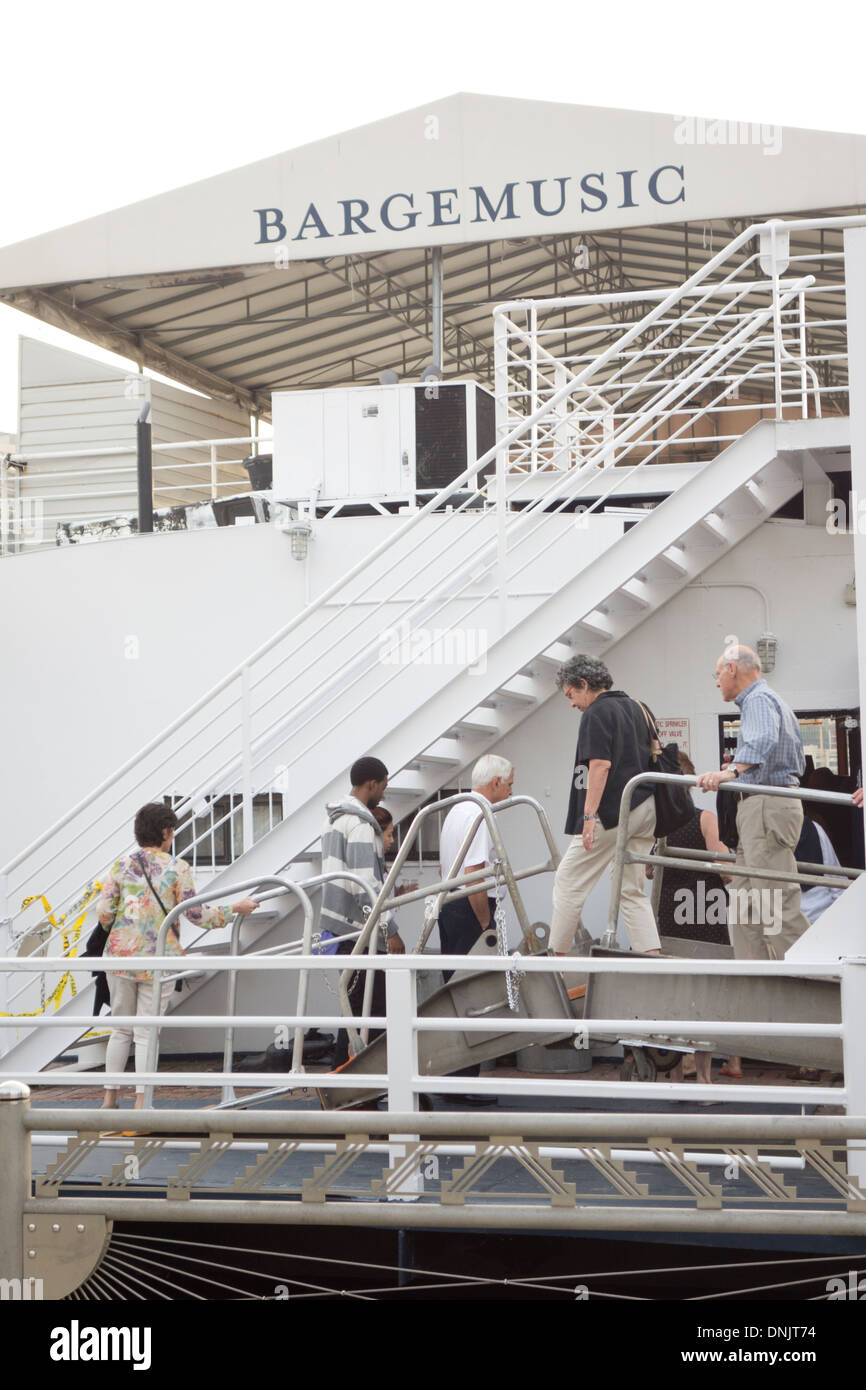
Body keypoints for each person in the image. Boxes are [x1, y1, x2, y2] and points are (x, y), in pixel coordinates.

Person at [96, 802, 257, 1112]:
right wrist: (234, 909)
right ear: (166, 832)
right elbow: (196, 914)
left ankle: (108, 1101)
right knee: (146, 1031)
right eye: (172, 831)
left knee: (120, 1029)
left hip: (119, 955)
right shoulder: (177, 868)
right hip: (158, 958)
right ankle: (142, 1104)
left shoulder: (120, 866)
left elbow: (104, 914)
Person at [697, 645, 810, 959]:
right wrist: (736, 773)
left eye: (718, 673)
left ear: (732, 669)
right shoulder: (768, 700)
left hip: (765, 807)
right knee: (746, 905)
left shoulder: (758, 700)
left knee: (775, 902)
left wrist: (732, 771)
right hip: (760, 807)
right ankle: (754, 975)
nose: (717, 682)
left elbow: (762, 740)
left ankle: (818, 979)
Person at [550, 655, 660, 955]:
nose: (572, 703)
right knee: (630, 890)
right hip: (646, 808)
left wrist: (588, 817)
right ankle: (653, 961)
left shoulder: (596, 712)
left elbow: (599, 765)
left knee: (568, 882)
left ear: (583, 684)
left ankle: (555, 966)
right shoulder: (639, 707)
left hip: (612, 813)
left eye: (571, 694)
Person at [647, 752, 731, 1091]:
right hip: (705, 914)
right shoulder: (705, 818)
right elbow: (723, 869)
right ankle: (706, 1080)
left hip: (668, 915)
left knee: (675, 1001)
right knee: (706, 1002)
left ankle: (678, 1078)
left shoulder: (657, 827)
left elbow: (648, 870)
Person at [319, 756, 405, 1067]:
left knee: (355, 1013)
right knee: (373, 1013)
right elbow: (364, 886)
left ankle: (347, 1089)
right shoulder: (359, 824)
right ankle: (354, 1091)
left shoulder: (333, 820)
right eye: (383, 785)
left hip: (339, 929)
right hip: (359, 933)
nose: (383, 791)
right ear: (372, 783)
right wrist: (390, 930)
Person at [436, 754, 515, 1092]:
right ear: (496, 782)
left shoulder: (457, 808)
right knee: (473, 996)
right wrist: (486, 927)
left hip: (449, 906)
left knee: (456, 993)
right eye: (510, 785)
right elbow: (475, 877)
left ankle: (457, 1078)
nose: (512, 792)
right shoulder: (480, 813)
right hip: (471, 910)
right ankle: (464, 1083)